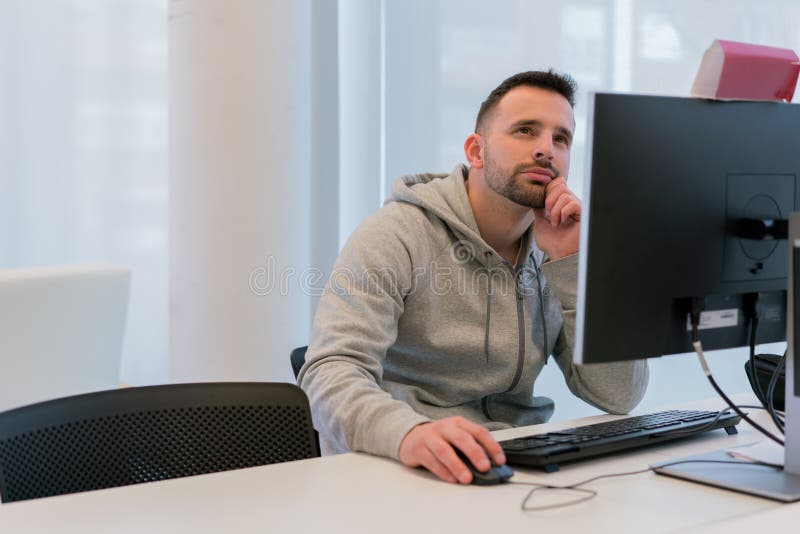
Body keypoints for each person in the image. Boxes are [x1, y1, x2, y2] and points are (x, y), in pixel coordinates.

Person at [298, 70, 649, 484]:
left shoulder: (558, 249)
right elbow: (329, 372)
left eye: (561, 139)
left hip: (512, 464)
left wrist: (571, 263)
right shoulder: (398, 234)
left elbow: (620, 394)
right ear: (476, 151)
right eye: (525, 130)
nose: (546, 150)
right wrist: (409, 433)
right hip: (405, 464)